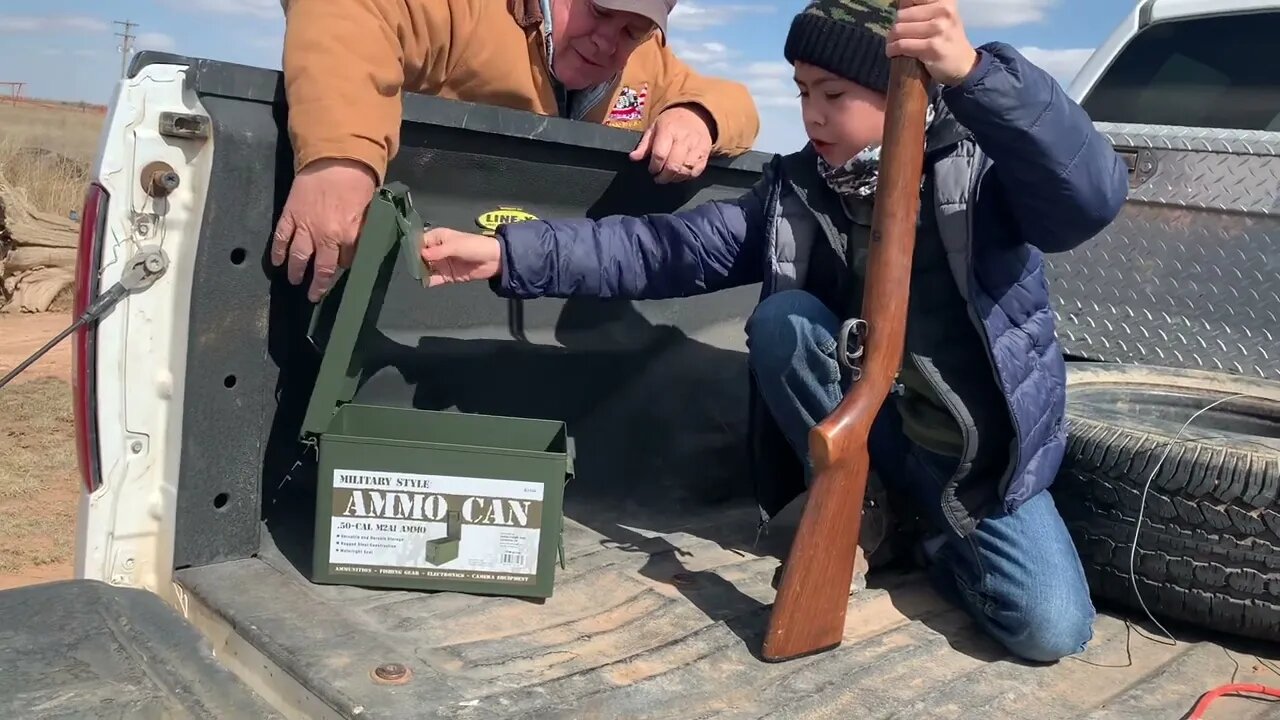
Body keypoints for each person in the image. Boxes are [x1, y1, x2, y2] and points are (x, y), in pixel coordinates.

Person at [415, 0, 1129, 663]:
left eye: (834, 95)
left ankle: (922, 535)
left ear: (906, 93)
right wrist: (511, 252)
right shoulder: (796, 189)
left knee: (1048, 628)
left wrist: (977, 74)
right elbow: (663, 251)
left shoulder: (983, 173)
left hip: (974, 470)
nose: (812, 114)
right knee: (784, 321)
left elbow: (1089, 195)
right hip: (871, 446)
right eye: (802, 91)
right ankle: (865, 510)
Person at [271, 0, 761, 302]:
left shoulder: (644, 63)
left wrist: (697, 116)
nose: (607, 42)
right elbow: (347, 12)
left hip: (532, 293)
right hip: (415, 283)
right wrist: (340, 159)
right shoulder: (468, 11)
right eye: (600, 11)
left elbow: (736, 103)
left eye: (632, 30)